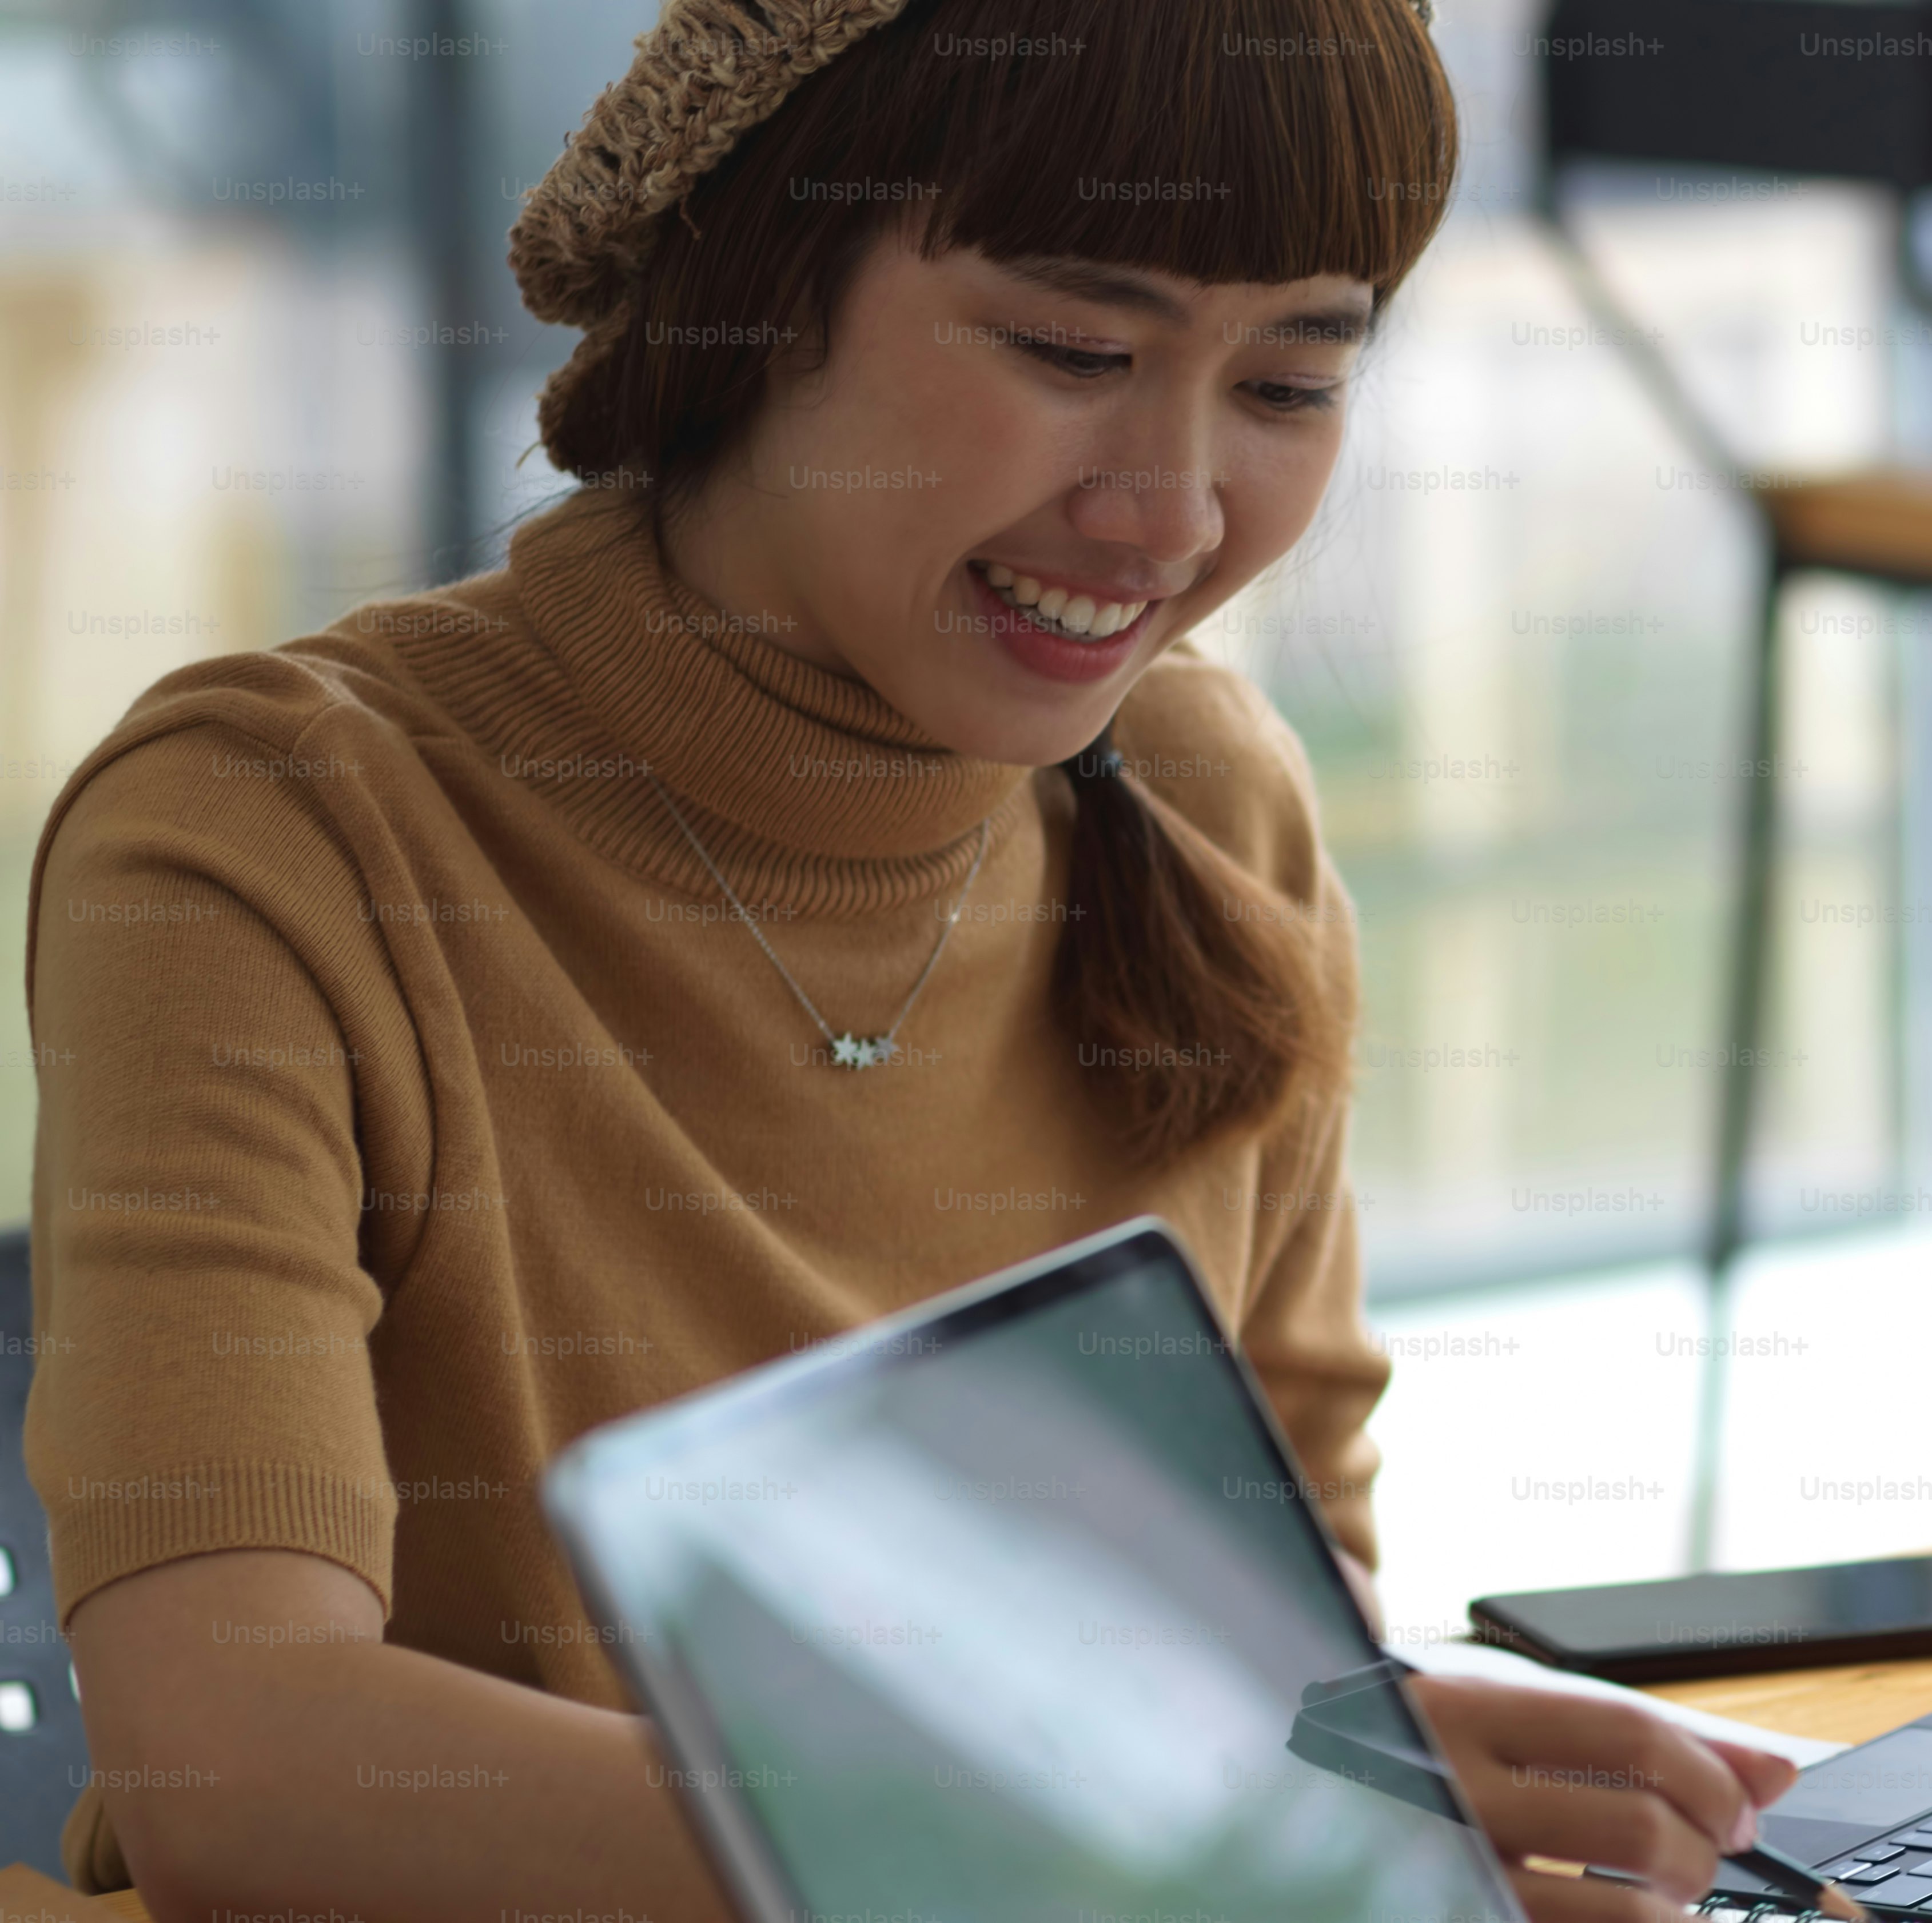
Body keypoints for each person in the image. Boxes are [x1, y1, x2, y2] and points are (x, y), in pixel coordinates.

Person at [23, 3, 1786, 1917]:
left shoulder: (1204, 793)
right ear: (764, 279)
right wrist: (1146, 1837)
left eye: (1288, 385)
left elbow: (1278, 1653)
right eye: (1071, 348)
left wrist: (1394, 1811)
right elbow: (239, 1764)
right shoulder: (272, 829)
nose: (1173, 510)